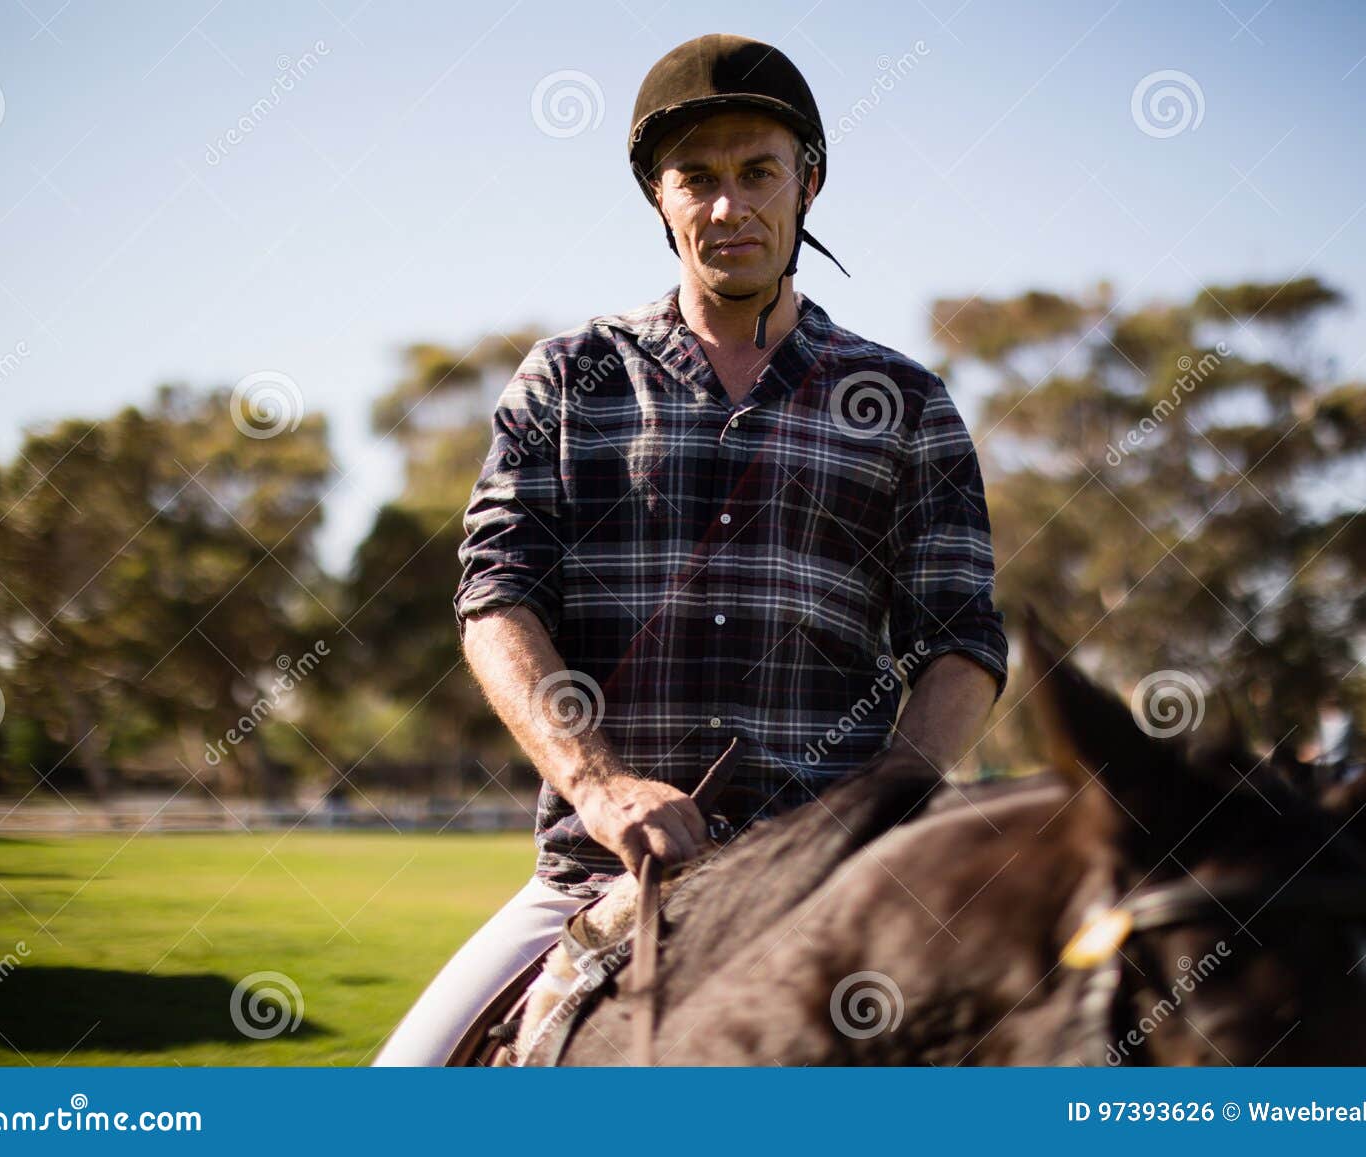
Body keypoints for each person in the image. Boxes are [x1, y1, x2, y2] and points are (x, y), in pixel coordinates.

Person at [372, 32, 1009, 1067]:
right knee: (401, 1083)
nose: (728, 206)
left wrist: (883, 804)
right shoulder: (568, 379)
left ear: (808, 183)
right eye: (696, 179)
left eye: (757, 171)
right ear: (657, 199)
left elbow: (961, 636)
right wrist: (599, 784)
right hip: (598, 877)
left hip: (837, 889)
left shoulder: (902, 402)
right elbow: (496, 597)